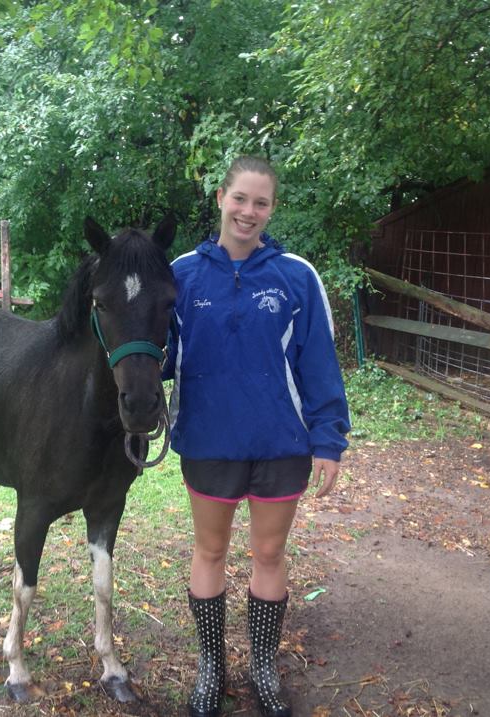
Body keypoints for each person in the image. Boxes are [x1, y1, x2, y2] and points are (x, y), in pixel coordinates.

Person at [163, 156, 350, 717]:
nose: (249, 211)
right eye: (240, 198)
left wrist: (329, 439)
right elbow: (159, 357)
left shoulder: (295, 275)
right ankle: (211, 667)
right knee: (210, 550)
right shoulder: (180, 275)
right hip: (208, 440)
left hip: (281, 444)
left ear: (271, 209)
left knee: (269, 553)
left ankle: (263, 667)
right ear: (220, 197)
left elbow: (318, 361)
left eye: (261, 202)